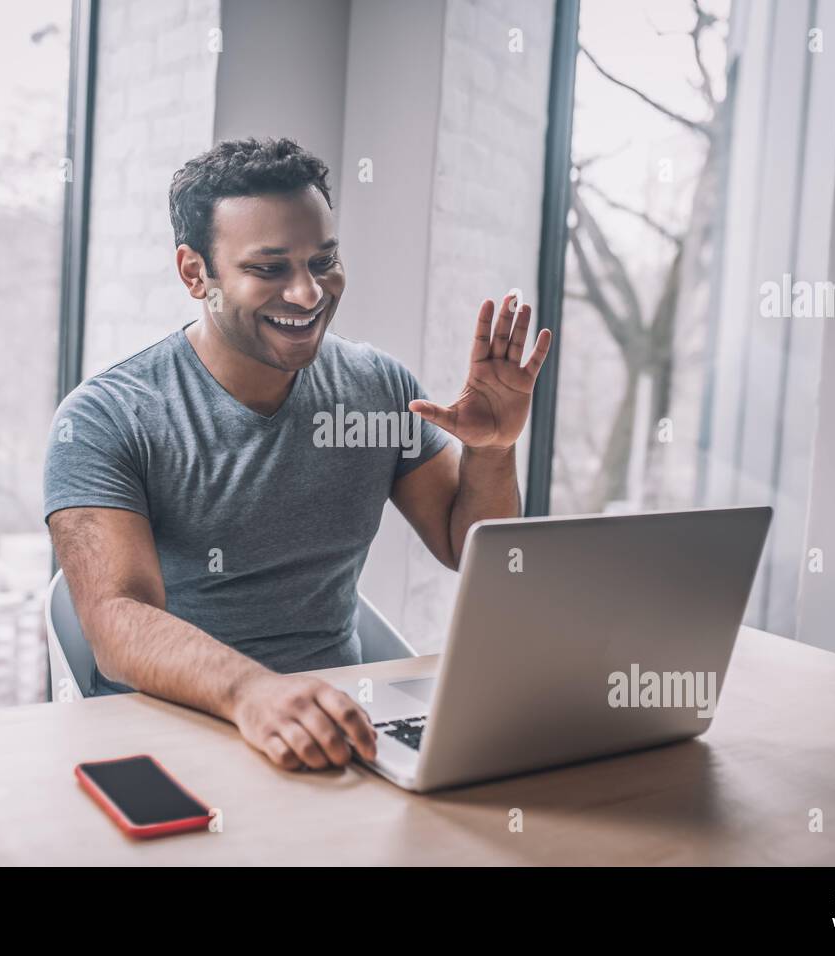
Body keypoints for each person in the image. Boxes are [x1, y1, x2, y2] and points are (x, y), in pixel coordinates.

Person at [44, 137, 550, 774]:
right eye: (270, 268)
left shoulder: (376, 388)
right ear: (195, 272)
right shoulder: (105, 417)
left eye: (323, 260)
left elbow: (471, 544)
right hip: (173, 732)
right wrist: (253, 692)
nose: (309, 294)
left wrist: (494, 451)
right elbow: (118, 621)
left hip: (341, 729)